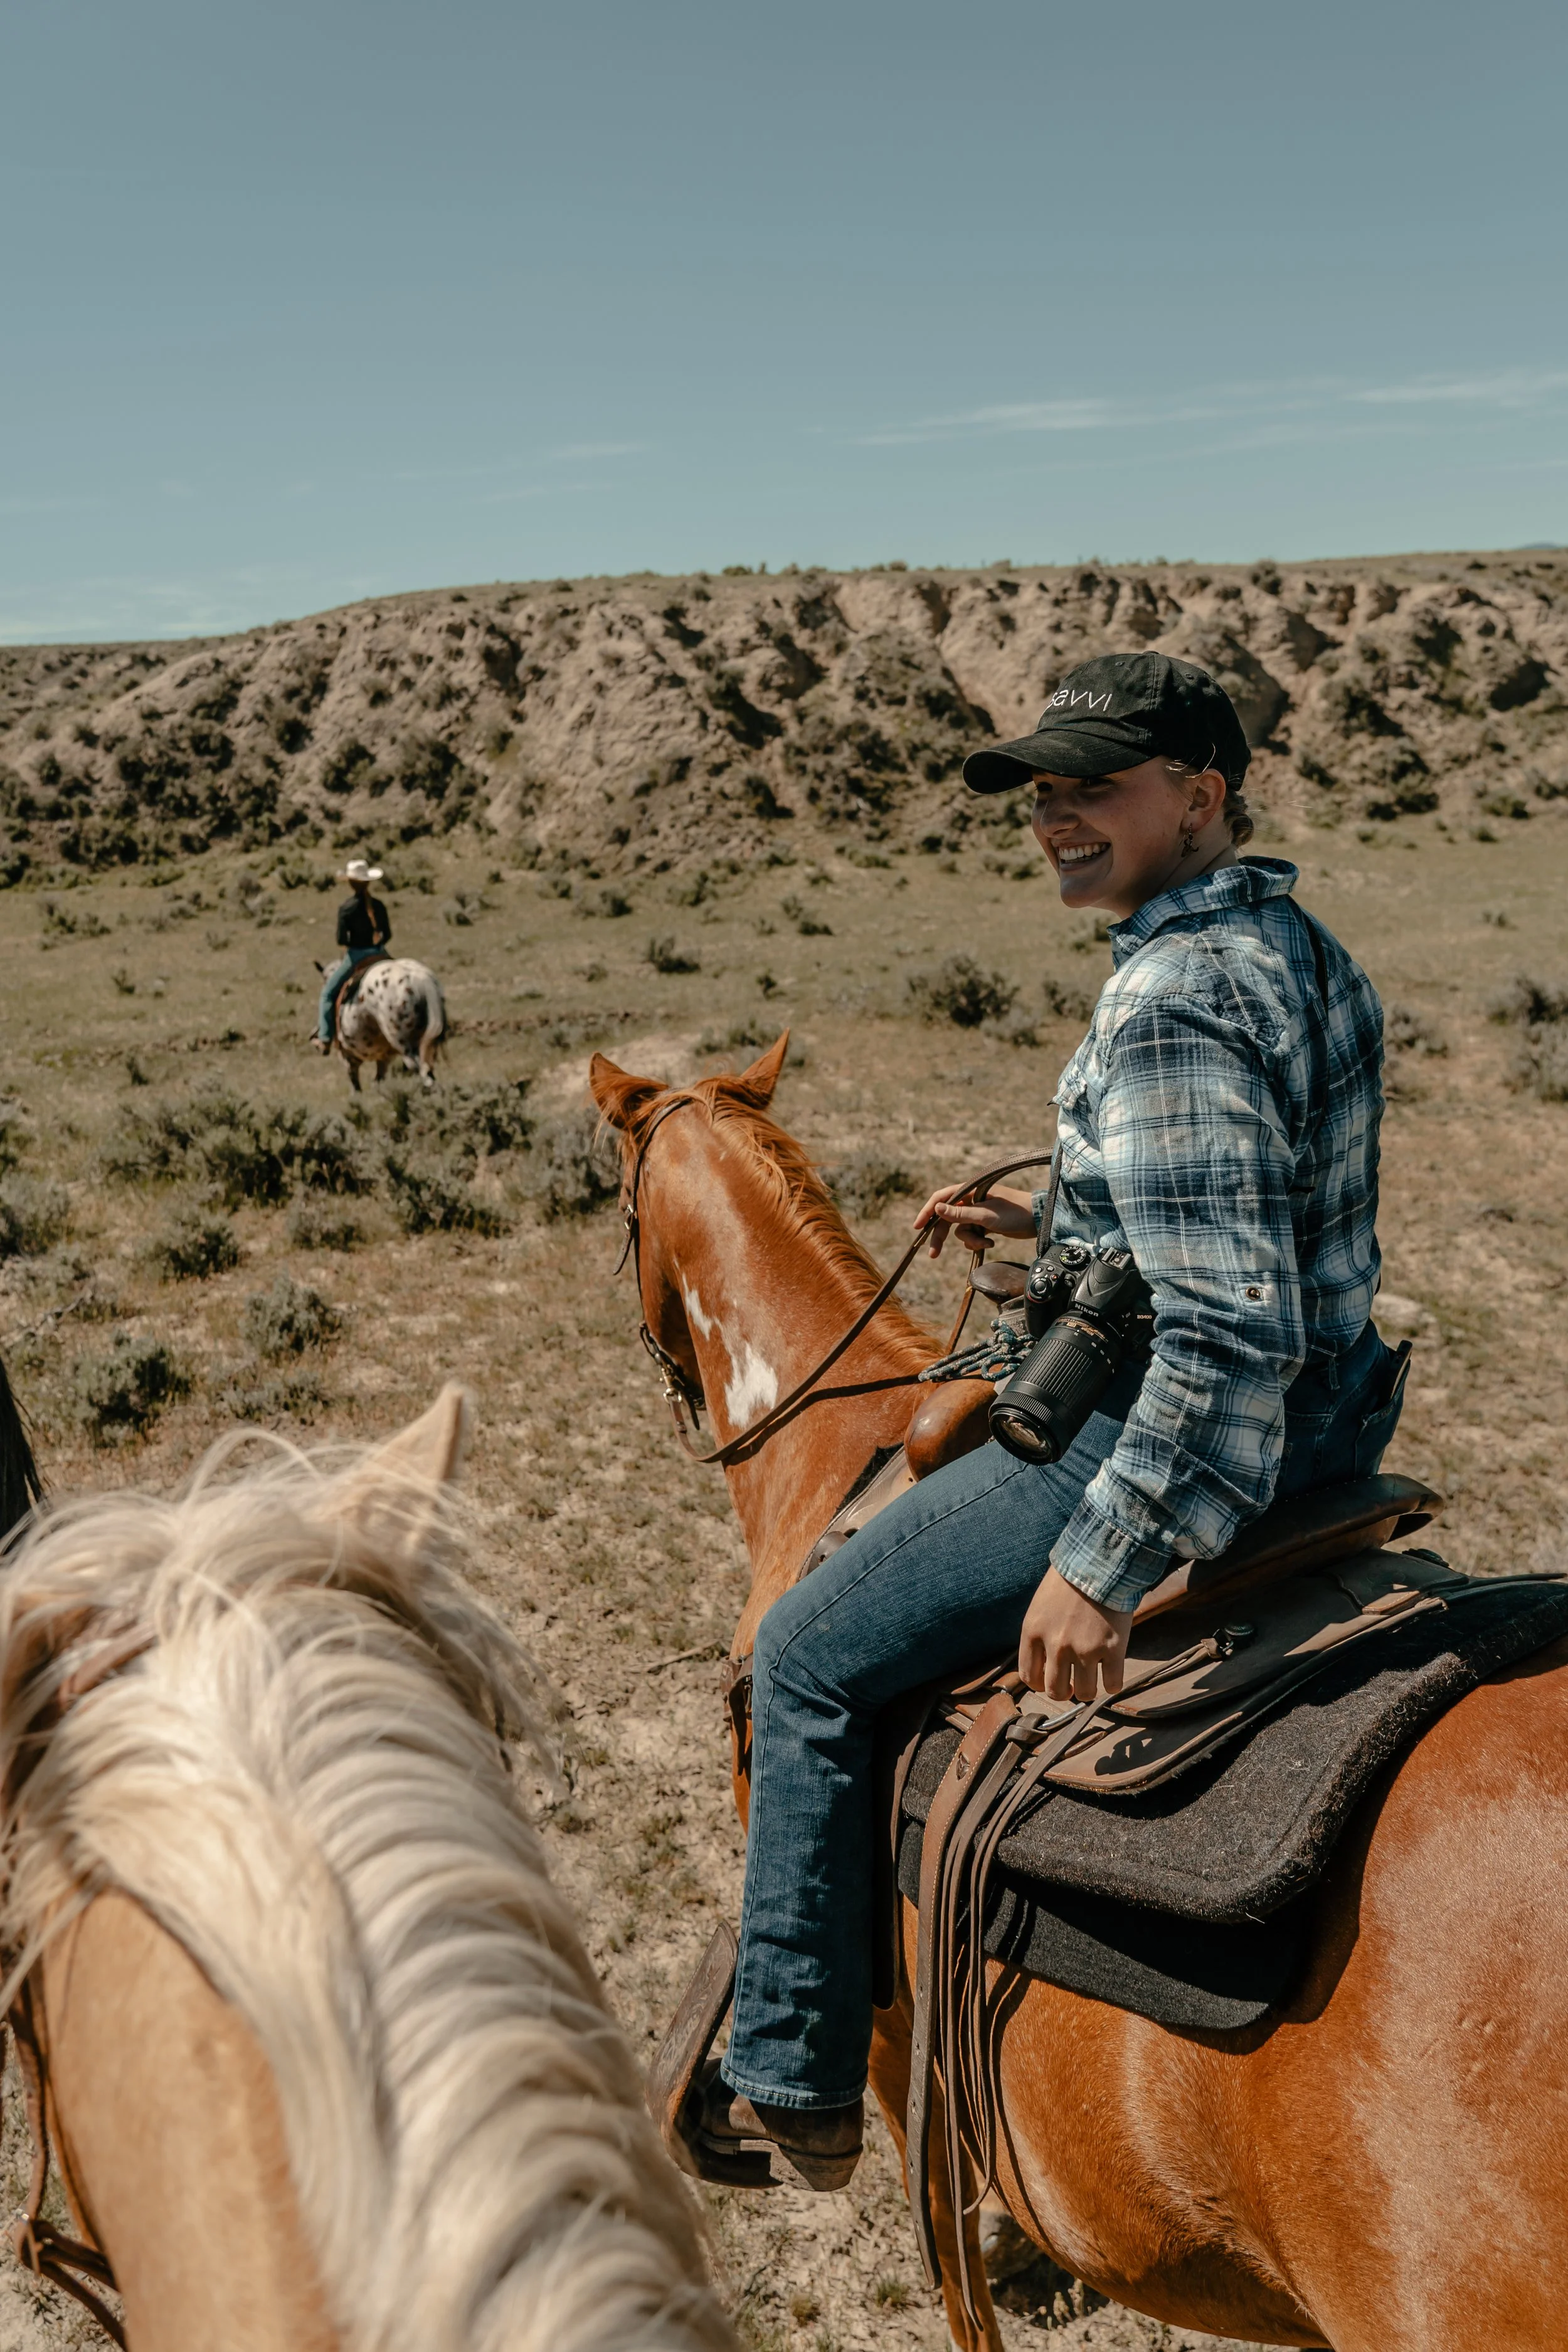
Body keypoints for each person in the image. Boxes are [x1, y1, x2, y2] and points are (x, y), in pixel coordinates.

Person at [691, 651, 1406, 2191]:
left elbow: (1224, 1331)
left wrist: (1105, 1554)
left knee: (809, 1652)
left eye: (1097, 786)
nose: (1057, 819)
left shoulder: (1169, 999)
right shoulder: (1298, 940)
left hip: (1173, 1429)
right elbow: (1257, 1215)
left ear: (1201, 795)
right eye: (1045, 792)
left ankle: (794, 2066)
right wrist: (1053, 1220)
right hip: (1336, 1419)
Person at [314, 858, 391, 1052]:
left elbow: (341, 939)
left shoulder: (346, 908)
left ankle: (324, 1038)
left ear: (350, 883)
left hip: (357, 956)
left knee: (328, 994)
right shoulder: (379, 905)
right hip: (380, 953)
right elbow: (387, 934)